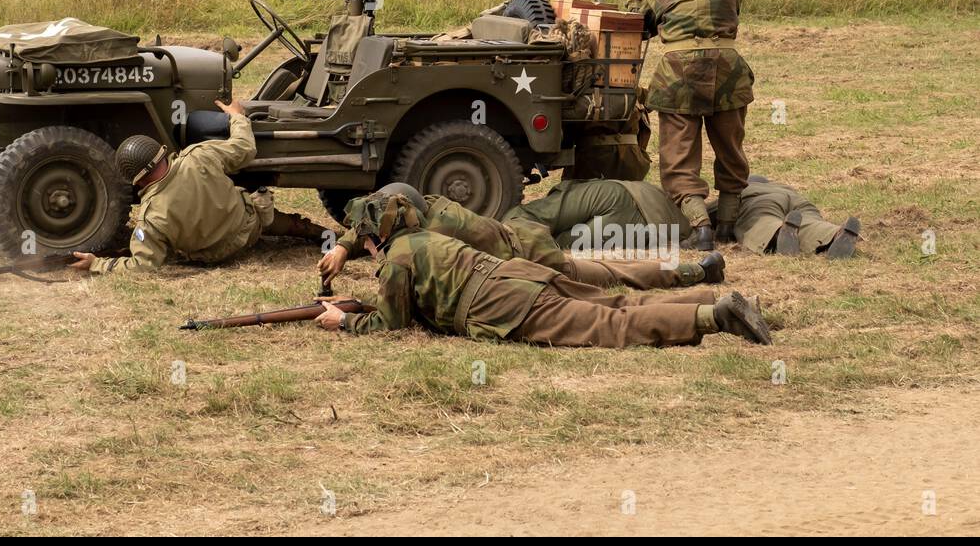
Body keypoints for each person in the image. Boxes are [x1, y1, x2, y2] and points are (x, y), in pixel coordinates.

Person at [314, 193, 774, 347]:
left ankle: (715, 316)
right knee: (618, 299)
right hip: (517, 272)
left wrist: (346, 320)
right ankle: (717, 301)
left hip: (511, 297)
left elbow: (395, 322)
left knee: (612, 322)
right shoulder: (427, 227)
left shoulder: (395, 260)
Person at [71, 99, 322, 275]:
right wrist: (237, 116)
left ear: (137, 181)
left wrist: (97, 264)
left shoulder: (151, 218)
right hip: (249, 225)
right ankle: (327, 237)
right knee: (276, 218)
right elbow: (245, 149)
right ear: (160, 153)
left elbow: (144, 265)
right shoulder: (198, 156)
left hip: (216, 254)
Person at [614, 0, 754, 251]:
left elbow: (641, 27)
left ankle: (700, 227)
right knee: (731, 149)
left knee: (678, 156)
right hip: (728, 72)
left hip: (680, 75)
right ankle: (728, 225)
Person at [320, 183, 721, 291]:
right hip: (520, 238)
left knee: (612, 274)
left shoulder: (432, 233)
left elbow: (397, 259)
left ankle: (692, 273)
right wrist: (343, 246)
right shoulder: (427, 205)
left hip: (533, 255)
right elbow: (379, 223)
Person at [503, 178, 694, 247]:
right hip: (657, 228)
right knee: (557, 243)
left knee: (552, 241)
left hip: (627, 205)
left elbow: (521, 220)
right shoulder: (684, 221)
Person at [711, 176, 862, 258]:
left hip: (760, 200)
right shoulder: (782, 186)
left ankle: (778, 233)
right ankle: (834, 233)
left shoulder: (744, 189)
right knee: (811, 220)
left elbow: (714, 211)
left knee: (764, 220)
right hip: (797, 200)